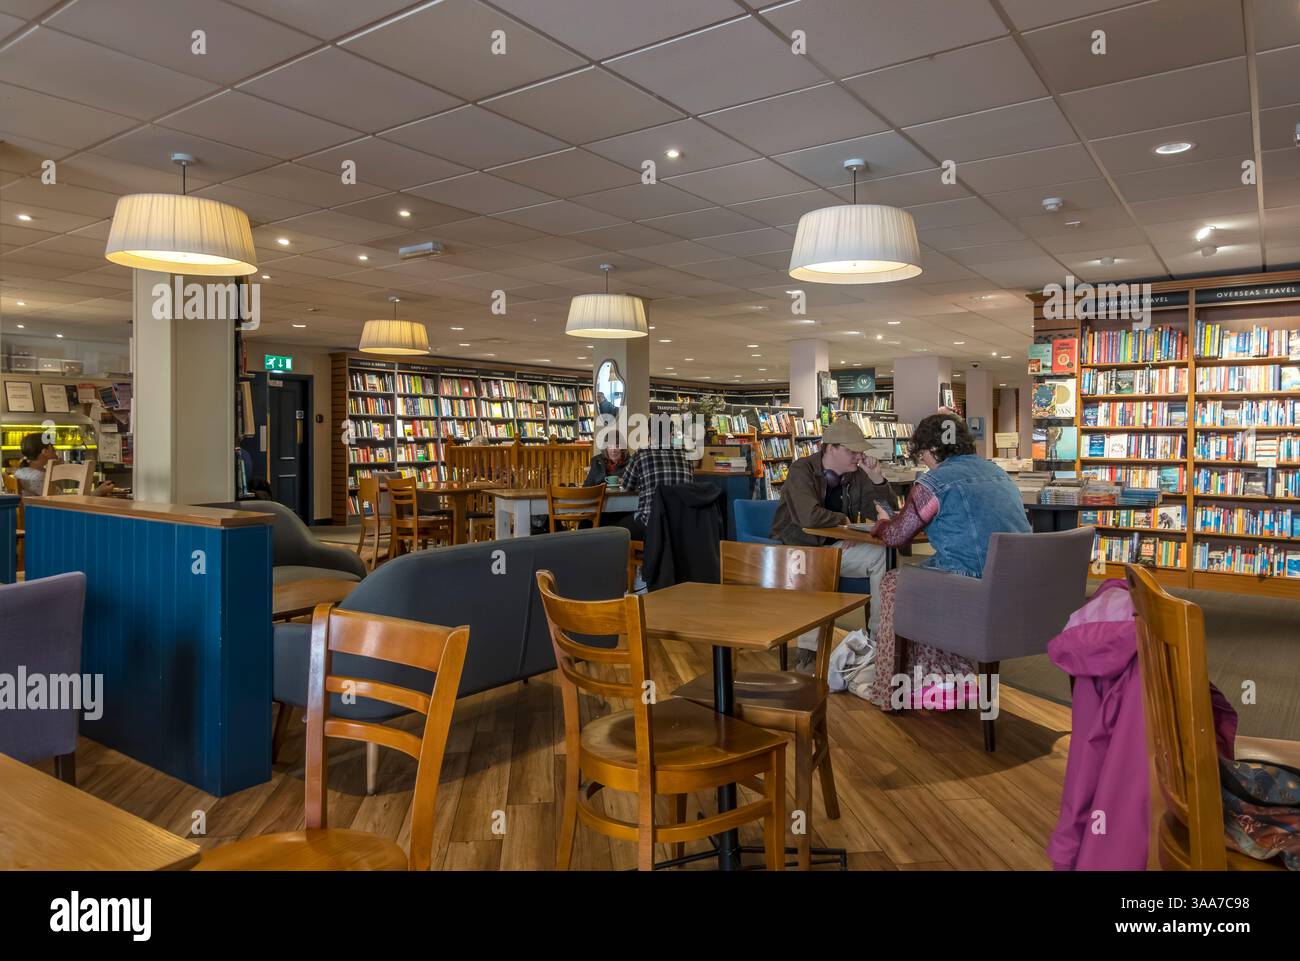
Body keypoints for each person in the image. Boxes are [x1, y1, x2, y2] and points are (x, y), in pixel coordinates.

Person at [860, 413, 1031, 709]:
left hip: (969, 584)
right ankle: (948, 679)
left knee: (895, 583)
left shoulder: (934, 482)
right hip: (1015, 585)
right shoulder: (997, 473)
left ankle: (892, 689)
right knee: (924, 578)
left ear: (930, 450)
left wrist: (884, 522)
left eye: (923, 454)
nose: (924, 461)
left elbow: (898, 536)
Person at [769, 418, 892, 670]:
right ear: (830, 448)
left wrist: (878, 479)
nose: (858, 457)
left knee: (882, 555)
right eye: (851, 451)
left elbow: (886, 512)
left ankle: (877, 639)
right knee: (813, 563)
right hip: (797, 548)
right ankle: (809, 649)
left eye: (860, 451)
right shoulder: (801, 469)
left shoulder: (856, 476)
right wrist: (843, 523)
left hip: (834, 548)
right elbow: (808, 516)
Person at [617, 439, 694, 541]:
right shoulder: (687, 454)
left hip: (650, 525)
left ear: (650, 435)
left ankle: (637, 555)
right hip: (681, 524)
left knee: (619, 527)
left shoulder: (641, 454)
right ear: (670, 434)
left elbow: (627, 487)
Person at [12, 433, 113, 496]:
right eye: (53, 449)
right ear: (45, 451)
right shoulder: (39, 476)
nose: (56, 452)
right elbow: (65, 504)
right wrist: (98, 491)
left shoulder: (21, 471)